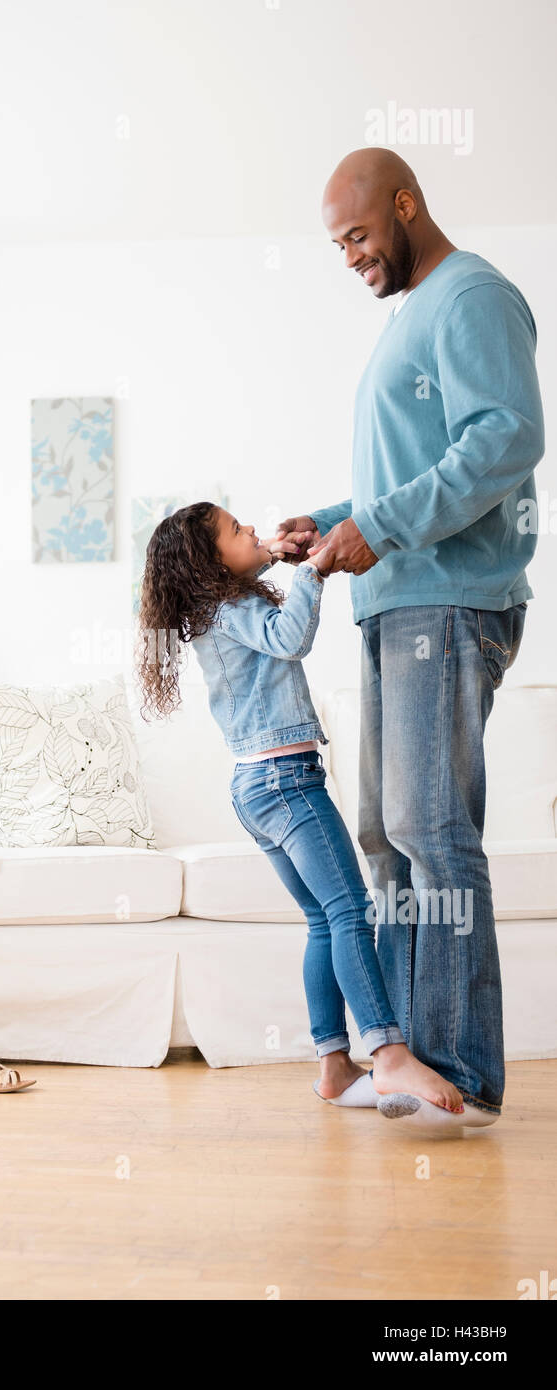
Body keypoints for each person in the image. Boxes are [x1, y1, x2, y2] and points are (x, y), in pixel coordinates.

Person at [275, 147, 545, 1128]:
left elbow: (505, 437)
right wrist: (331, 519)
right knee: (385, 838)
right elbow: (413, 472)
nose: (347, 255)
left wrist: (376, 530)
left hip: (443, 601)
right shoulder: (410, 319)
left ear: (404, 205)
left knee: (432, 832)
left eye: (354, 233)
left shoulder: (470, 294)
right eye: (334, 244)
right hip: (393, 600)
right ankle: (401, 1059)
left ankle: (460, 1072)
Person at [134, 499, 466, 1117]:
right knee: (349, 911)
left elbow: (269, 631)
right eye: (237, 530)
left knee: (323, 920)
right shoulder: (230, 607)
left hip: (256, 787)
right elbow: (289, 640)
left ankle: (335, 1067)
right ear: (210, 561)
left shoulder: (217, 610)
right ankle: (389, 1056)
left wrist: (294, 562)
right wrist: (314, 574)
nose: (254, 529)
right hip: (285, 781)